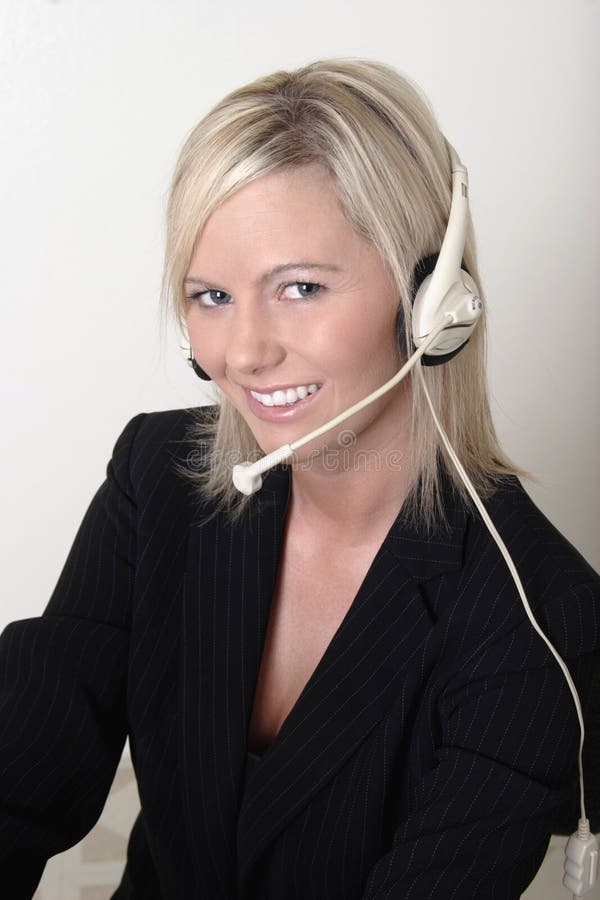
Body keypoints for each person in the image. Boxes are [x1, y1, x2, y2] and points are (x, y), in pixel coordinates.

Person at [0, 57, 598, 900]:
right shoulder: (155, 480)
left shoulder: (539, 617)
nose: (243, 354)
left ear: (435, 302)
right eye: (211, 296)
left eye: (300, 287)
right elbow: (26, 764)